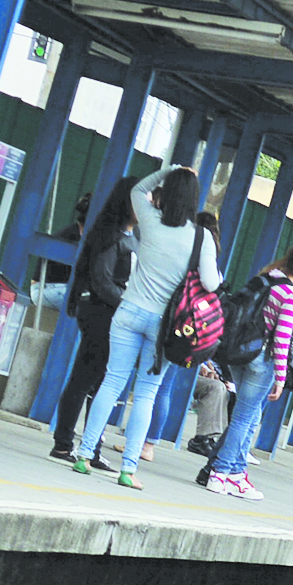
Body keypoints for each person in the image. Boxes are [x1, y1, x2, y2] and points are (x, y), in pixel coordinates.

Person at [72, 165, 220, 489]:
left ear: (165, 193)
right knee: (146, 395)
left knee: (111, 384)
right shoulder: (201, 237)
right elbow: (210, 282)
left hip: (128, 312)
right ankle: (127, 469)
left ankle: (83, 455)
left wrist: (170, 170)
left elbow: (136, 190)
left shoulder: (150, 221)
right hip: (164, 326)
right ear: (195, 199)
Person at [202, 241, 293, 501]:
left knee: (247, 417)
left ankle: (236, 474)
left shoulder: (265, 278)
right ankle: (221, 474)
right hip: (261, 361)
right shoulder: (291, 295)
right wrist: (281, 376)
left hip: (239, 354)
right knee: (244, 419)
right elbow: (282, 336)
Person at [48, 181, 136, 469]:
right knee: (87, 379)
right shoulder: (113, 237)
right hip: (102, 313)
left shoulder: (121, 235)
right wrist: (127, 304)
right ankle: (65, 444)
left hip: (105, 312)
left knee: (97, 382)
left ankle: (89, 446)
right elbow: (101, 279)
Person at [187, 362, 230, 457]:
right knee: (215, 387)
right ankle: (202, 437)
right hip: (185, 370)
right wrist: (202, 365)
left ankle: (209, 437)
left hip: (198, 369)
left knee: (221, 387)